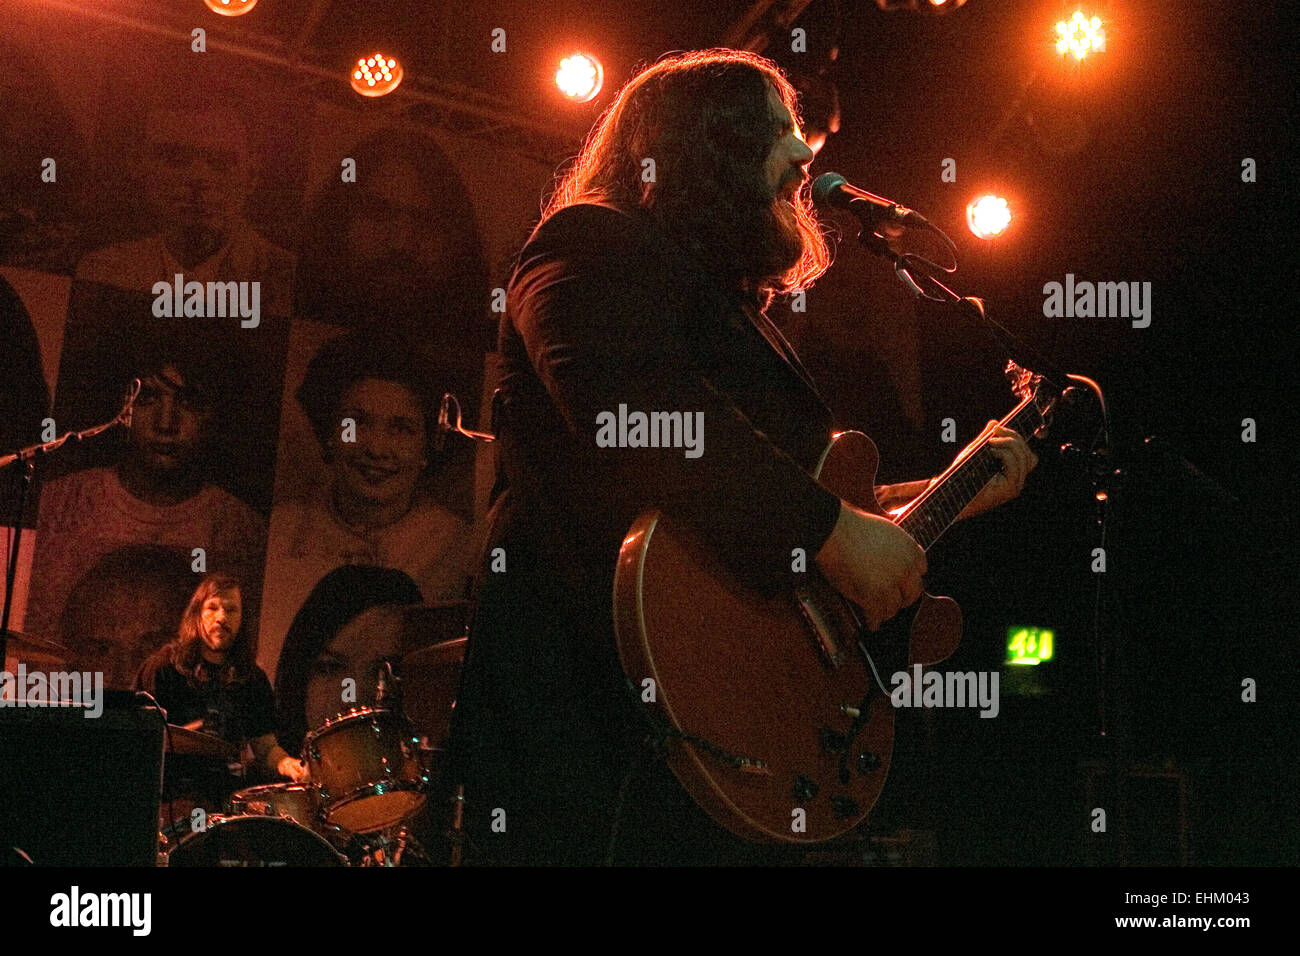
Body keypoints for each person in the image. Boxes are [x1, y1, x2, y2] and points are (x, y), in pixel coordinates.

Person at [447, 49, 1038, 866]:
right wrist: (831, 529)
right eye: (779, 128)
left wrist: (943, 492)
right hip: (589, 699)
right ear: (702, 142)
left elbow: (761, 491)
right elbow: (634, 414)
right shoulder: (588, 239)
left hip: (718, 717)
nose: (805, 154)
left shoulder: (733, 306)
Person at [257, 329, 474, 683]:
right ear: (329, 433)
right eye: (356, 424)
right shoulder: (280, 531)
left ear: (428, 445)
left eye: (401, 428)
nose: (376, 448)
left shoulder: (457, 547)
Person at [24, 352, 267, 651]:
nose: (166, 423)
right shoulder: (59, 503)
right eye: (147, 399)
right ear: (122, 407)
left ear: (213, 415)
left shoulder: (244, 530)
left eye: (187, 402)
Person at [136, 573, 307, 780]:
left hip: (225, 797)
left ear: (242, 619)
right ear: (197, 614)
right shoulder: (163, 668)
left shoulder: (251, 678)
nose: (222, 618)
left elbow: (265, 747)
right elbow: (138, 738)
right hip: (171, 794)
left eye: (231, 610)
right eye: (213, 608)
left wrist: (288, 765)